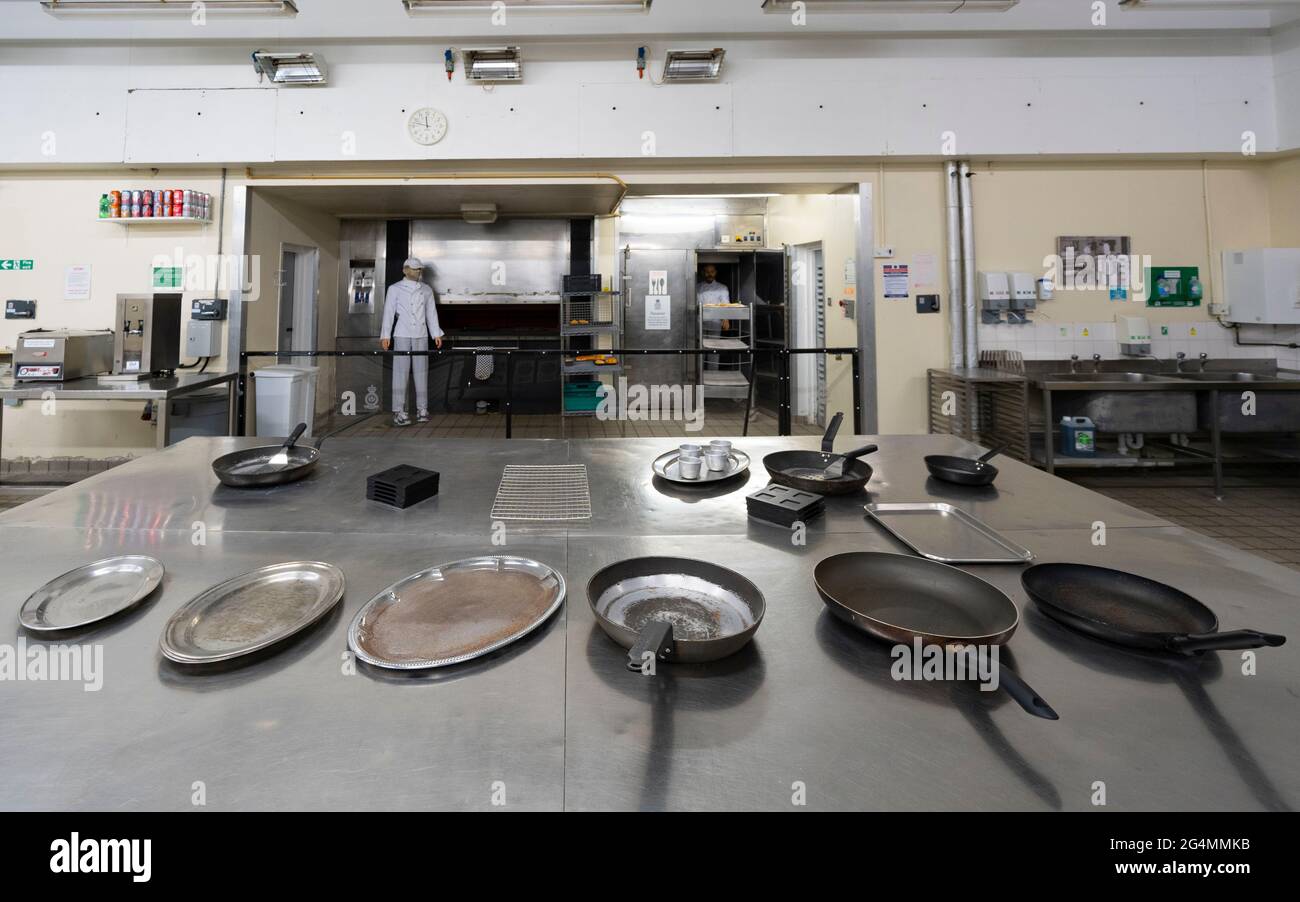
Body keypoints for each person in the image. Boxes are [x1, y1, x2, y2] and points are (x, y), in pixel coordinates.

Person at [380, 257, 444, 426]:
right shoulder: (395, 289)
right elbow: (388, 312)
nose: (417, 272)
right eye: (415, 269)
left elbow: (431, 313)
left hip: (421, 334)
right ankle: (399, 411)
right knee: (400, 373)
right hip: (401, 334)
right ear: (405, 270)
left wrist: (436, 334)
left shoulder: (426, 290)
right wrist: (385, 336)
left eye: (419, 269)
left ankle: (422, 409)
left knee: (421, 372)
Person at [697, 263, 731, 330]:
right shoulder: (697, 287)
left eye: (712, 272)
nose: (710, 274)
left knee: (715, 341)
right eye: (707, 272)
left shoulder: (722, 287)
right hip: (700, 322)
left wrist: (726, 319)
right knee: (700, 340)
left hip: (715, 322)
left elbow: (725, 304)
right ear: (703, 272)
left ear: (715, 272)